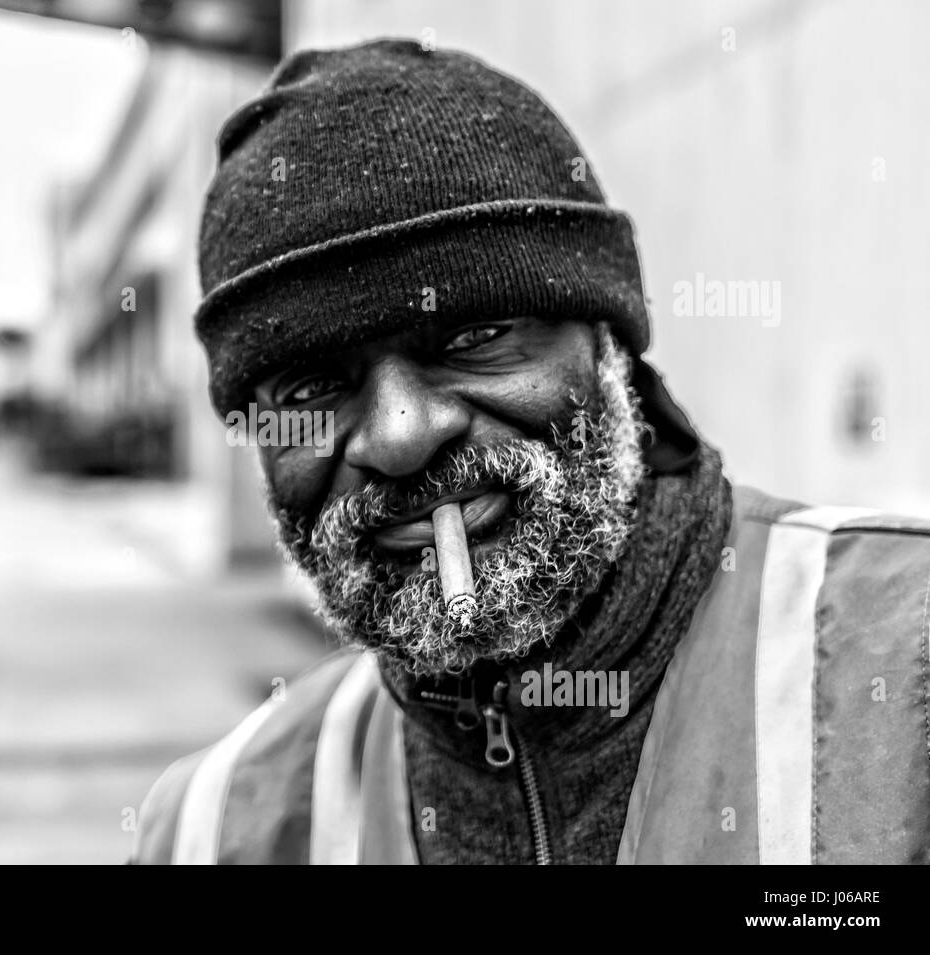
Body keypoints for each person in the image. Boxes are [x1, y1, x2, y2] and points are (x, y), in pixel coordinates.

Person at [132, 38, 930, 864]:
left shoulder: (908, 664)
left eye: (474, 336)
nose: (403, 437)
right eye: (308, 390)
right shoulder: (212, 829)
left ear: (608, 345)